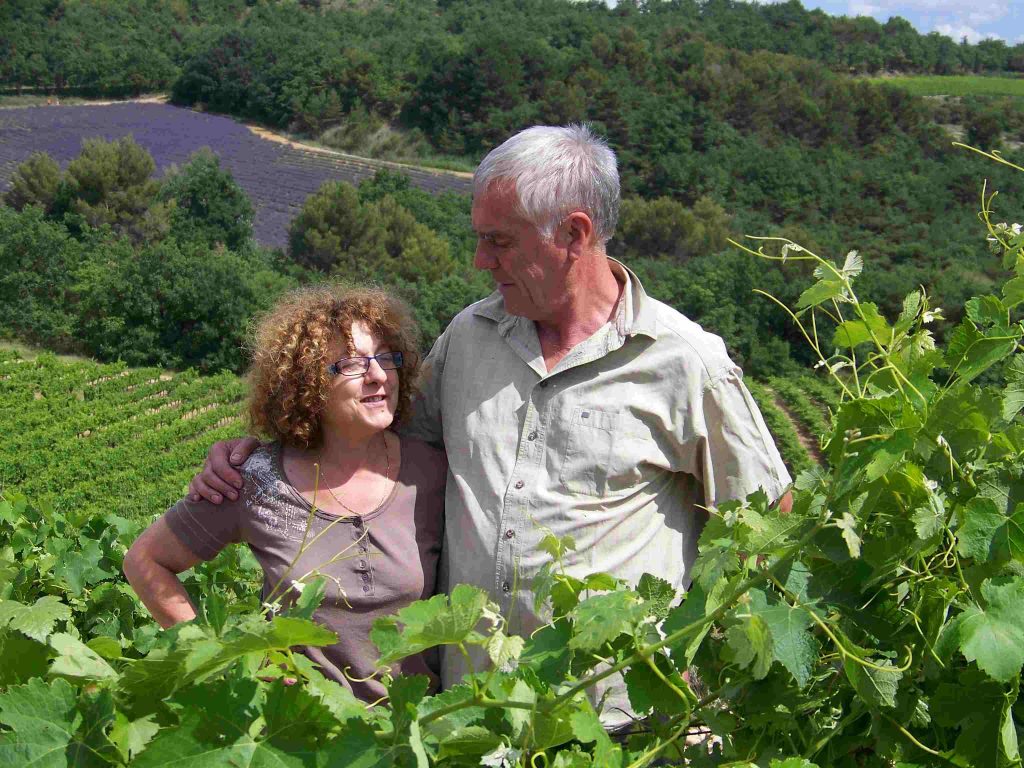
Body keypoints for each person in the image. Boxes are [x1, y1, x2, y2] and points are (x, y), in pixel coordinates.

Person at [190, 124, 792, 727]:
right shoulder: (468, 339)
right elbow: (378, 448)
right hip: (469, 718)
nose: (480, 260)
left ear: (575, 234)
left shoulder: (686, 363)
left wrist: (709, 659)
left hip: (617, 724)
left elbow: (770, 525)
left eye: (499, 241)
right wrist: (265, 459)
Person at [124, 286, 446, 701]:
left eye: (386, 357)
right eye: (351, 364)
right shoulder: (257, 480)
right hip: (298, 733)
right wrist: (220, 662)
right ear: (306, 383)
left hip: (414, 733)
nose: (379, 375)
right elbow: (145, 560)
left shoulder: (432, 472)